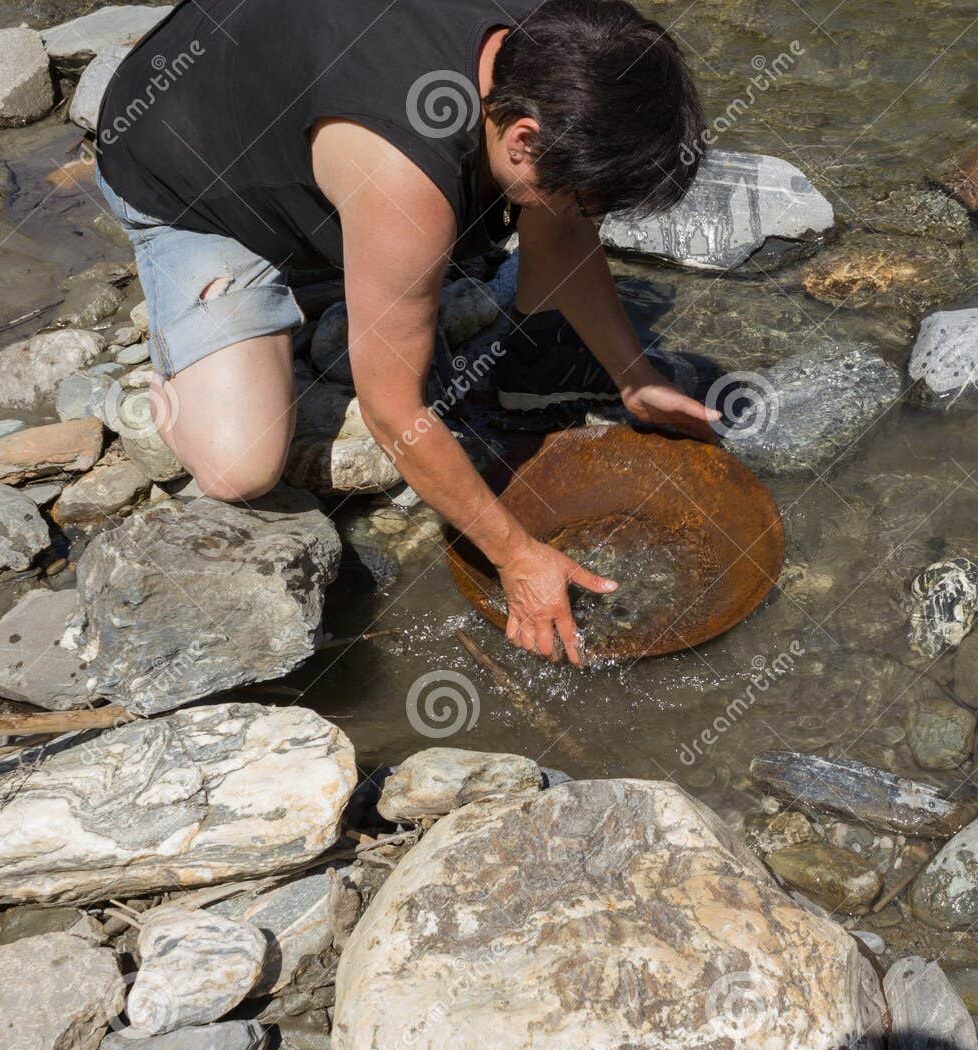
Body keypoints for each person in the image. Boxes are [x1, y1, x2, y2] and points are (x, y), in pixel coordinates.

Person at [94, 0, 711, 666]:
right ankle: (161, 375)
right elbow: (394, 412)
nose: (591, 217)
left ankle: (342, 234)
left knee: (523, 214)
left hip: (288, 90)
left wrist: (636, 378)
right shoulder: (404, 181)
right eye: (593, 203)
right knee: (240, 465)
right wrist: (516, 555)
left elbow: (562, 228)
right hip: (177, 169)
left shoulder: (556, 39)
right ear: (523, 138)